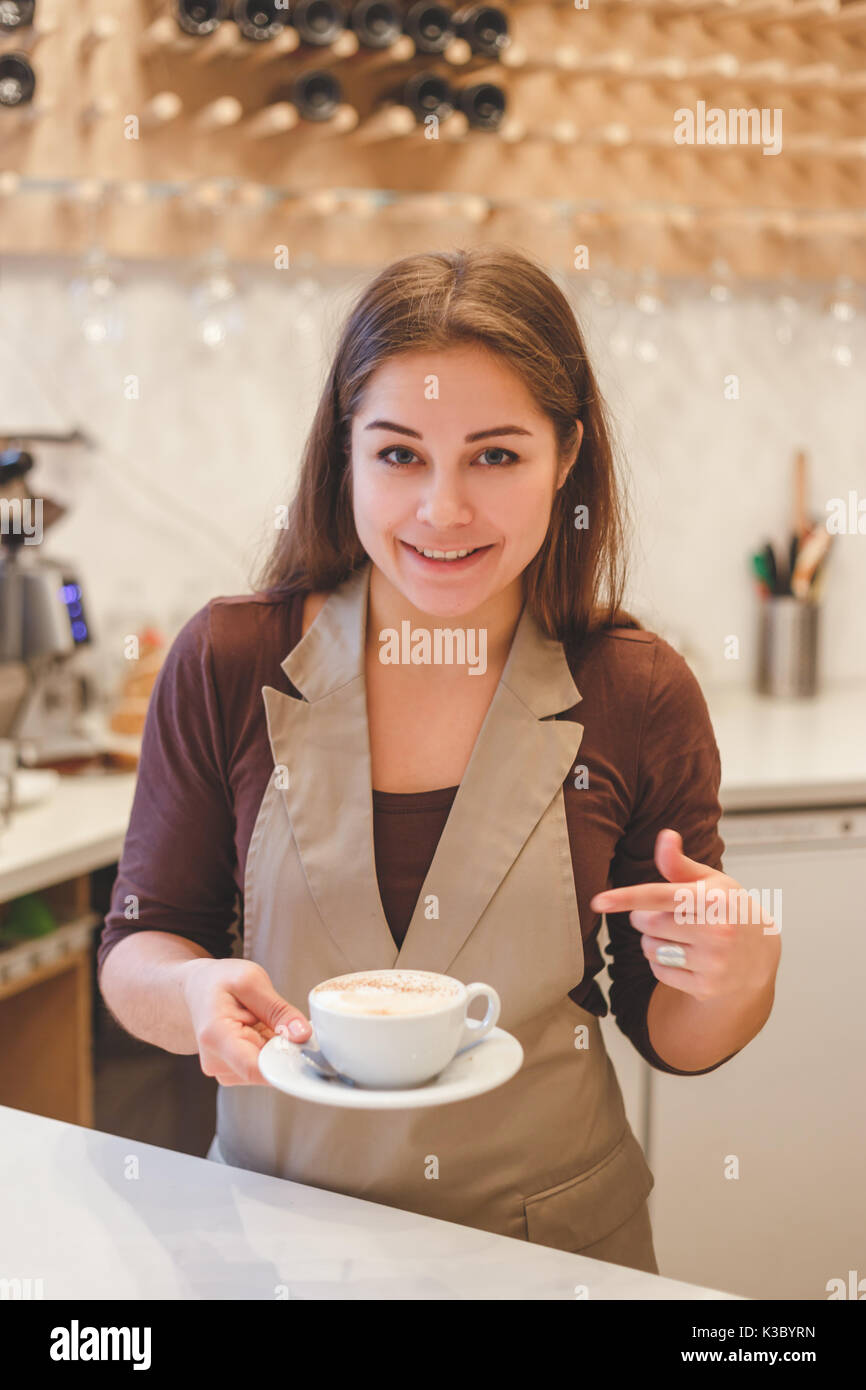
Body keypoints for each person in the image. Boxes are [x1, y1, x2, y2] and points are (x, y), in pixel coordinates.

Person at [99, 246, 780, 1275]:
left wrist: (738, 972)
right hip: (270, 1244)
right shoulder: (229, 660)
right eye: (400, 454)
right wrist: (190, 996)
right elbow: (142, 942)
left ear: (566, 455)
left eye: (495, 456)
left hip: (551, 1251)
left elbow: (666, 1027)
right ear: (345, 456)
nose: (442, 510)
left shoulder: (635, 689)